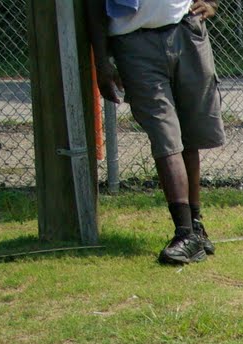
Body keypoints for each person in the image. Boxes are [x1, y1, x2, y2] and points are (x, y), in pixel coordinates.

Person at [86, 0, 225, 265]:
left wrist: (211, 2)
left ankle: (195, 226)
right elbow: (92, 6)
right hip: (133, 42)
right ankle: (184, 232)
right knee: (165, 134)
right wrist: (101, 62)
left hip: (186, 30)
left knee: (190, 133)